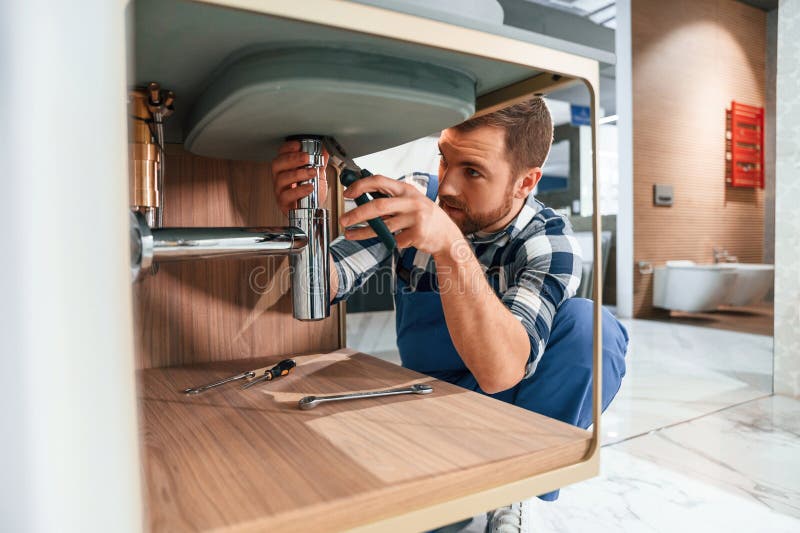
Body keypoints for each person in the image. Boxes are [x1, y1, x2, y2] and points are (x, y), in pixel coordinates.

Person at [271, 96, 628, 532]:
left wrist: (449, 247)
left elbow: (501, 373)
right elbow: (325, 283)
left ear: (525, 182)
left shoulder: (547, 242)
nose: (449, 186)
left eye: (473, 172)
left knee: (593, 330)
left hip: (510, 405)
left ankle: (513, 485)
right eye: (445, 159)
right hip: (425, 401)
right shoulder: (416, 198)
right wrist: (305, 215)